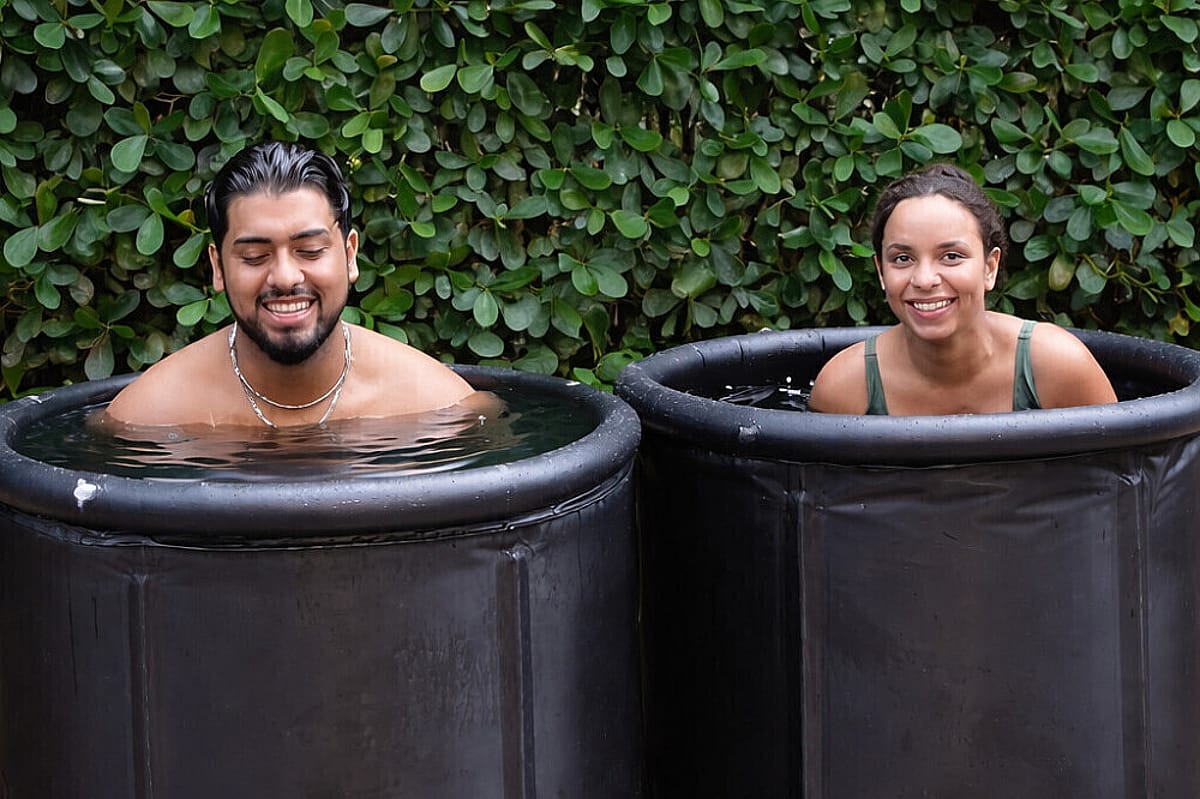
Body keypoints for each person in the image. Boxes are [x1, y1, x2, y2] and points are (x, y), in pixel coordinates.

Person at [104, 141, 480, 428]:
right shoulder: (147, 416)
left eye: (310, 251)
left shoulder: (438, 407)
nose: (285, 277)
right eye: (255, 256)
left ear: (350, 256)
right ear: (218, 267)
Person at [808, 163, 1117, 416]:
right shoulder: (845, 388)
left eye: (951, 256)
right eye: (902, 258)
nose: (925, 279)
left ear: (990, 267)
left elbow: (1120, 471)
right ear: (881, 271)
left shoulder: (1058, 366)